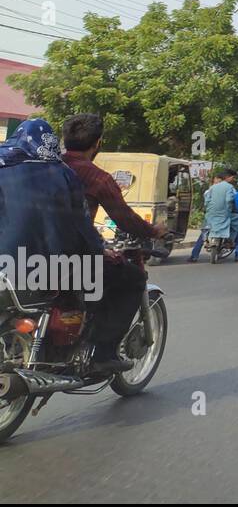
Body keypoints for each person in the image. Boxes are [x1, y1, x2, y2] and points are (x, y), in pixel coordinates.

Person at [0, 119, 143, 374]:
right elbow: (81, 225)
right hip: (48, 266)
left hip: (5, 268)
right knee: (130, 278)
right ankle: (102, 354)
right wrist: (100, 250)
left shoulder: (3, 165)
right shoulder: (63, 173)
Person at [60, 114, 169, 256]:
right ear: (97, 143)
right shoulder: (98, 178)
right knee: (132, 274)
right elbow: (125, 219)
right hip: (76, 257)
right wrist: (155, 231)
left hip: (32, 253)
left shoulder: (47, 168)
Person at [191, 167, 238, 262]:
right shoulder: (230, 187)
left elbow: (206, 201)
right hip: (226, 215)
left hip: (211, 216)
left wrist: (209, 210)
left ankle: (194, 256)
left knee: (204, 232)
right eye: (232, 177)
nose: (233, 180)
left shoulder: (212, 188)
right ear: (228, 177)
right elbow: (230, 200)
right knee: (236, 228)